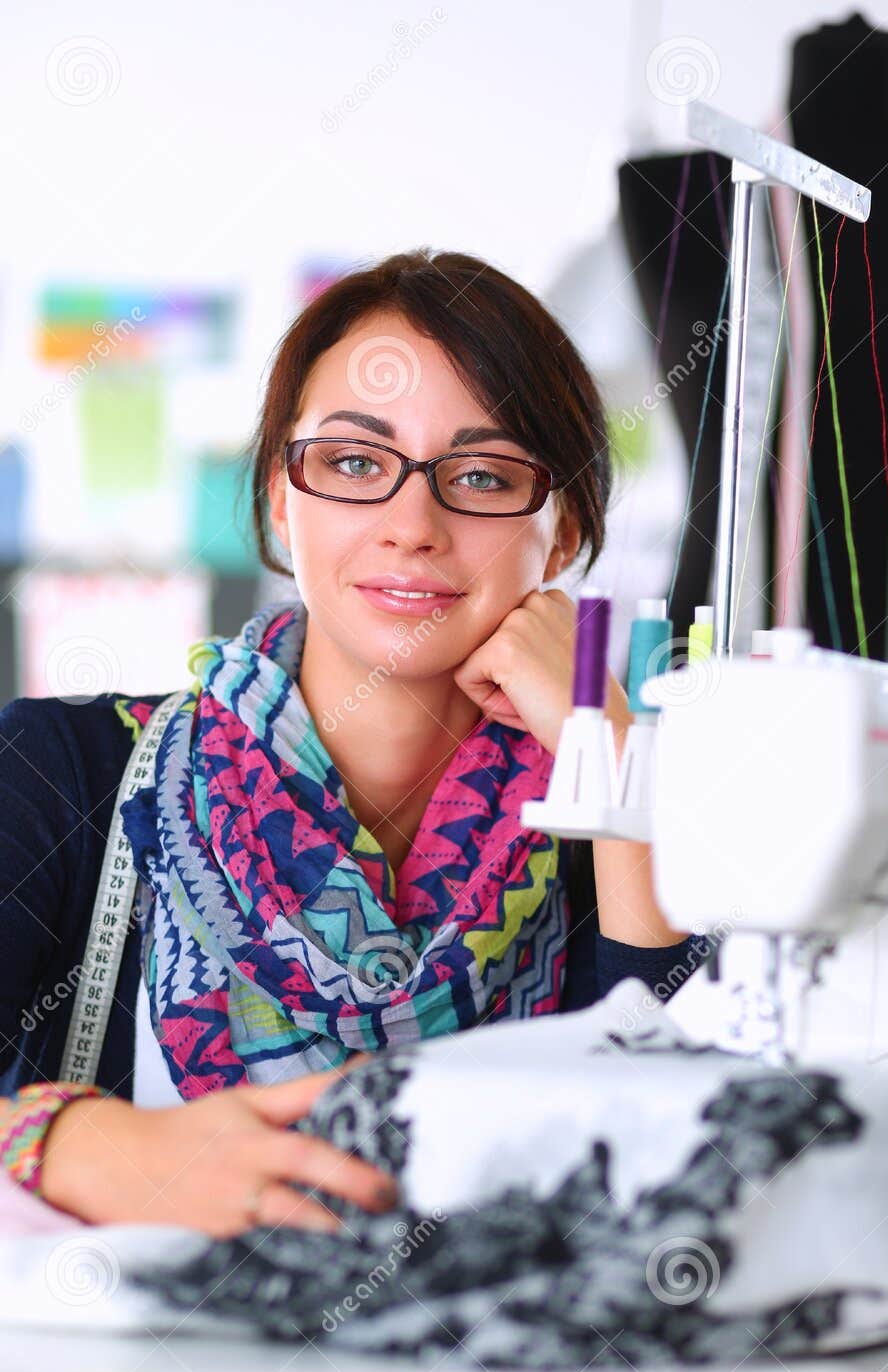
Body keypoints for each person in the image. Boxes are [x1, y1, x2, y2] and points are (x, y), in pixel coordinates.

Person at [0, 248, 698, 1240]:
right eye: (355, 462)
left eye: (483, 474)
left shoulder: (621, 825)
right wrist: (90, 1148)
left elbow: (679, 1158)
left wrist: (615, 757)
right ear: (283, 498)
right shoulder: (59, 772)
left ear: (565, 529)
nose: (411, 524)